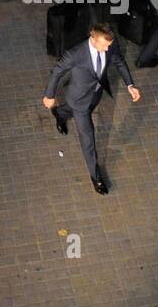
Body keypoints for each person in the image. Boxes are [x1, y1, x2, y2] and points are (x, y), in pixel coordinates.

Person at [43, 21, 142, 194]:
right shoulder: (75, 54)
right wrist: (49, 95)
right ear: (94, 39)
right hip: (78, 99)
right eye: (104, 46)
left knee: (73, 110)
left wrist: (130, 85)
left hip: (95, 94)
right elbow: (57, 71)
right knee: (88, 139)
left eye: (109, 46)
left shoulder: (109, 45)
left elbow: (119, 61)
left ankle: (60, 113)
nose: (107, 49)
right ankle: (96, 177)